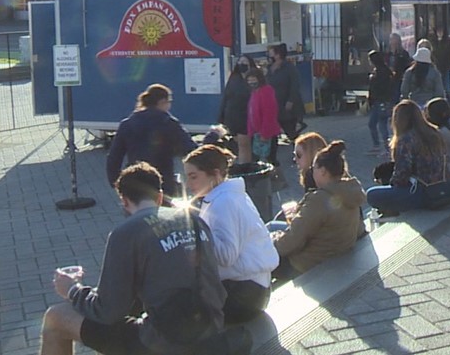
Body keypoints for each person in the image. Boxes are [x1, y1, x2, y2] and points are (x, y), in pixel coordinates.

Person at [40, 162, 226, 355]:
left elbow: (108, 311)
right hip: (210, 328)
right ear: (160, 196)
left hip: (165, 342)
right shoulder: (195, 220)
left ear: (124, 201)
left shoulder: (126, 233)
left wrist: (72, 290)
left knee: (56, 317)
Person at [184, 145, 278, 323]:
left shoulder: (224, 202)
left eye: (193, 177)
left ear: (215, 174)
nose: (188, 185)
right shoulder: (230, 195)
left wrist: (195, 228)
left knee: (181, 308)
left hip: (243, 293)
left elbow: (226, 256)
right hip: (256, 288)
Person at [273, 141, 366, 282]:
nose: (312, 172)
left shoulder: (319, 200)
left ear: (323, 171)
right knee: (273, 228)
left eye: (314, 168)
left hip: (307, 264)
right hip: (335, 255)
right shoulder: (351, 192)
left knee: (265, 243)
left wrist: (271, 244)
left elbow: (293, 240)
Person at [107, 84, 196, 198]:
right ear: (162, 102)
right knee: (163, 208)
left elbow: (114, 156)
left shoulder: (127, 124)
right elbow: (190, 149)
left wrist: (115, 181)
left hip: (136, 181)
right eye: (169, 102)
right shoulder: (169, 123)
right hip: (163, 182)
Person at [366, 101, 450, 215]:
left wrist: (389, 183)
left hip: (421, 193)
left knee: (371, 194)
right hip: (442, 188)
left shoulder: (405, 139)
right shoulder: (435, 133)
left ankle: (392, 208)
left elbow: (402, 175)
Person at [218, 55, 254, 163]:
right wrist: (221, 117)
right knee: (240, 145)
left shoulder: (254, 79)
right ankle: (244, 165)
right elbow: (226, 97)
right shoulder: (234, 78)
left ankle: (246, 164)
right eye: (240, 62)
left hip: (248, 116)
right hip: (233, 116)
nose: (242, 64)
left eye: (245, 62)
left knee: (246, 145)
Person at [266, 43, 303, 147]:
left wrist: (291, 100)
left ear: (277, 55)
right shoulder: (269, 68)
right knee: (272, 131)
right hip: (272, 105)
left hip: (285, 105)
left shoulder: (289, 68)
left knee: (290, 130)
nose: (269, 55)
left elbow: (295, 85)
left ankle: (299, 147)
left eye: (271, 53)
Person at [246, 67, 283, 164]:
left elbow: (270, 114)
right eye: (249, 80)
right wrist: (250, 132)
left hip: (267, 133)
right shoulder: (254, 92)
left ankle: (277, 174)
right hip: (256, 134)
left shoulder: (266, 91)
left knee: (270, 161)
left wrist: (265, 133)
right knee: (257, 161)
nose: (251, 82)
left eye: (253, 79)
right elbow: (251, 113)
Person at [367, 50, 396, 157]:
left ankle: (385, 147)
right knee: (376, 123)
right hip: (381, 101)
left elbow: (377, 88)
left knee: (380, 124)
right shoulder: (385, 71)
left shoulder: (380, 73)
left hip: (380, 101)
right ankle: (380, 146)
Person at [430, 25, 450, 109]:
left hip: (446, 69)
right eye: (438, 31)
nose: (440, 33)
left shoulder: (449, 41)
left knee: (448, 90)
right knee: (437, 91)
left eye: (441, 31)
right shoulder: (432, 42)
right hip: (436, 70)